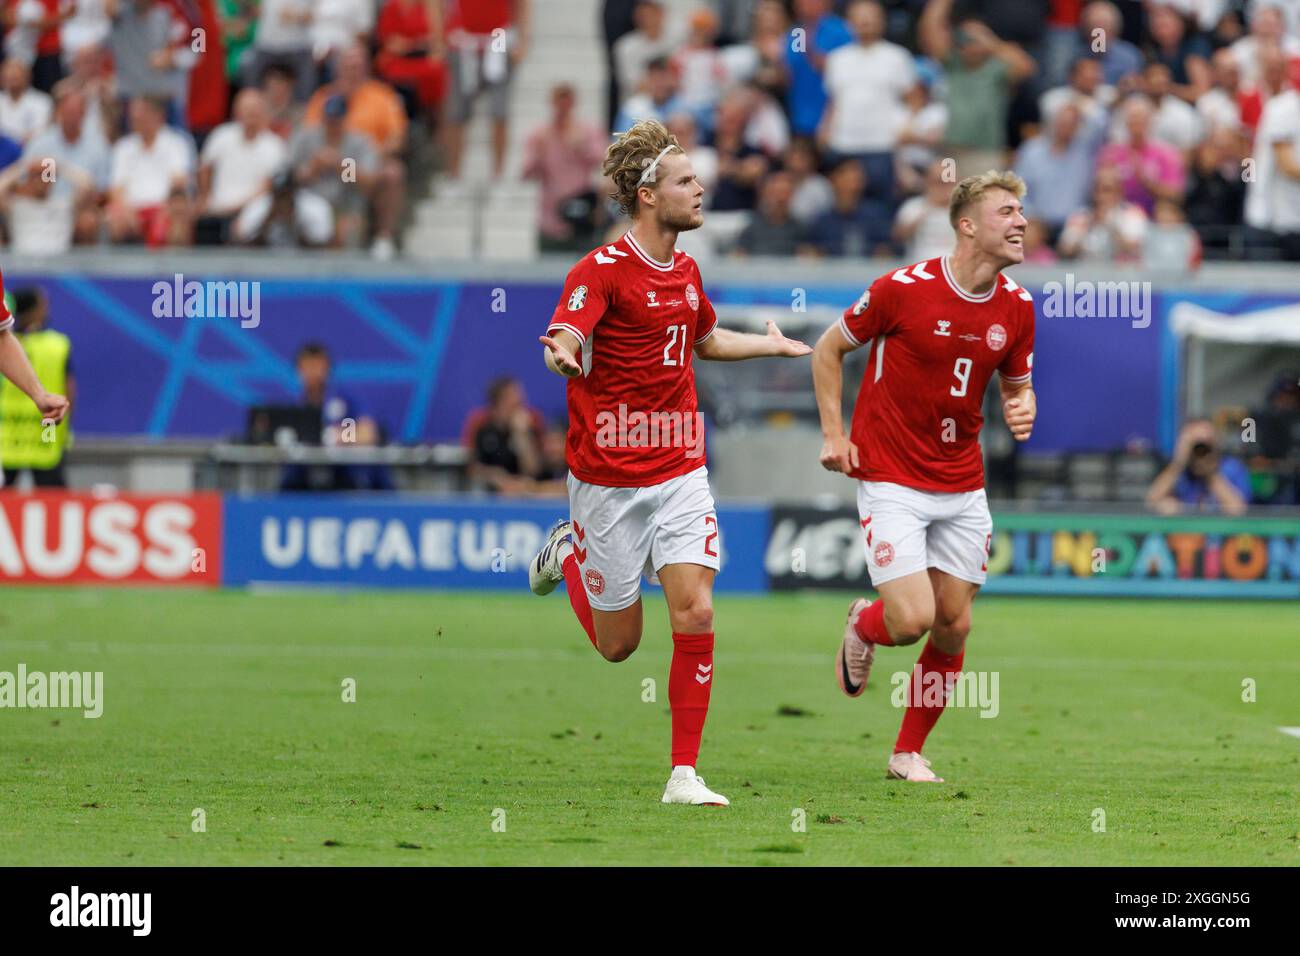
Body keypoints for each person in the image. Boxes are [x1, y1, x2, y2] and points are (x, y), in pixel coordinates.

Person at [528, 118, 812, 807]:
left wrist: (770, 346)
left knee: (696, 611)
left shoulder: (685, 270)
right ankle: (570, 551)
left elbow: (705, 340)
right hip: (608, 480)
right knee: (619, 645)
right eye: (686, 180)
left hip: (681, 468)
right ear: (649, 195)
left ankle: (684, 773)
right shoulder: (598, 271)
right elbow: (562, 334)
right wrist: (562, 354)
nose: (700, 187)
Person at [811, 169, 1037, 783]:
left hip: (962, 483)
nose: (1021, 221)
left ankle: (907, 752)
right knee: (909, 621)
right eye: (1006, 212)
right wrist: (835, 434)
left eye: (1022, 212)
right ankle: (863, 622)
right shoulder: (902, 290)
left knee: (954, 621)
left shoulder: (1018, 307)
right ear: (967, 226)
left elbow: (1018, 387)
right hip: (892, 476)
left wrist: (1024, 405)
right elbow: (828, 349)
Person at [279, 341, 393, 491]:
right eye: (307, 366)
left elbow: (366, 434)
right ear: (298, 369)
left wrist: (335, 436)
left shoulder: (344, 401)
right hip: (302, 481)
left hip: (345, 479)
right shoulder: (294, 406)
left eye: (318, 366)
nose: (313, 372)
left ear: (327, 368)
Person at [0, 276, 70, 490]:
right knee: (50, 499)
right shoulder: (57, 344)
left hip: (8, 435)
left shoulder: (11, 343)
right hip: (44, 430)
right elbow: (70, 388)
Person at [461, 375, 546, 494]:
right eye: (513, 403)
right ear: (497, 404)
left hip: (525, 493)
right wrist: (497, 477)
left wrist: (522, 436)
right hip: (488, 492)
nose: (519, 408)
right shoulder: (479, 423)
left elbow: (534, 471)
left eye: (520, 402)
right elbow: (470, 467)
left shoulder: (531, 421)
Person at [1146, 418, 1249, 514]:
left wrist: (1210, 473)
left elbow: (1239, 509)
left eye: (1206, 443)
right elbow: (1151, 501)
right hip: (1186, 530)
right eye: (1196, 444)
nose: (1200, 450)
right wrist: (1179, 462)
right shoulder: (1178, 472)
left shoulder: (1231, 468)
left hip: (1218, 530)